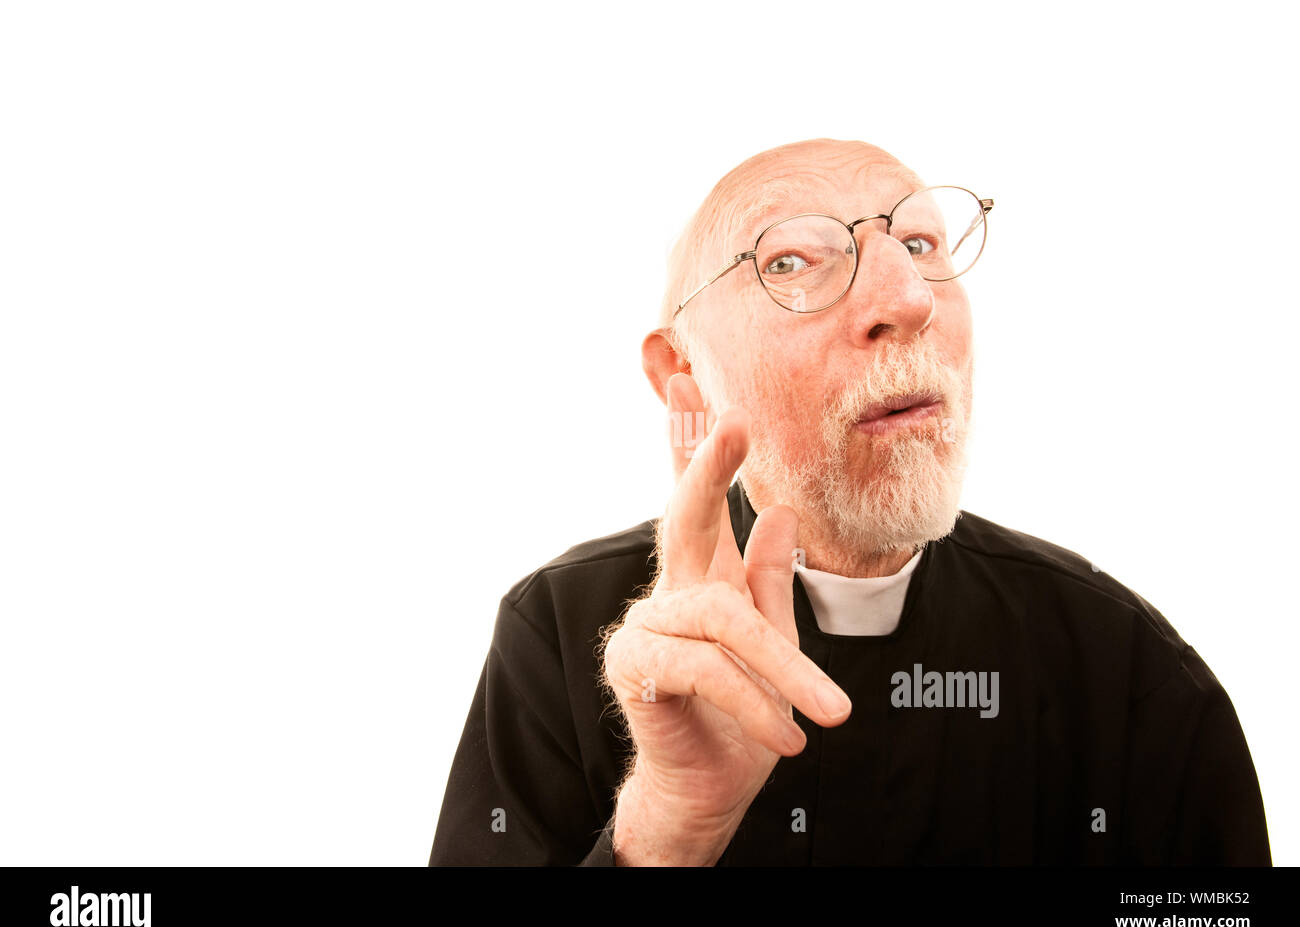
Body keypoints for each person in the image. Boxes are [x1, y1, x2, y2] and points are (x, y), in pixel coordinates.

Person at [427, 138, 1271, 866]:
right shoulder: (558, 632)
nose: (908, 301)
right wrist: (670, 824)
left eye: (920, 241)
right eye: (789, 261)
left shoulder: (1126, 668)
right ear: (682, 378)